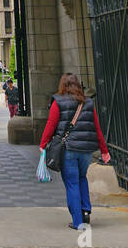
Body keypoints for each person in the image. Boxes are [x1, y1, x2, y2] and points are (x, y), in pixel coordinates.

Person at [39, 73, 111, 229]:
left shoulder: (58, 102)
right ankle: (86, 212)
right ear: (78, 85)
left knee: (72, 183)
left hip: (68, 149)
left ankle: (77, 221)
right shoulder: (88, 102)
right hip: (86, 150)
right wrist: (104, 150)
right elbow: (97, 128)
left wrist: (43, 143)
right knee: (81, 178)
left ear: (62, 85)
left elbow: (51, 125)